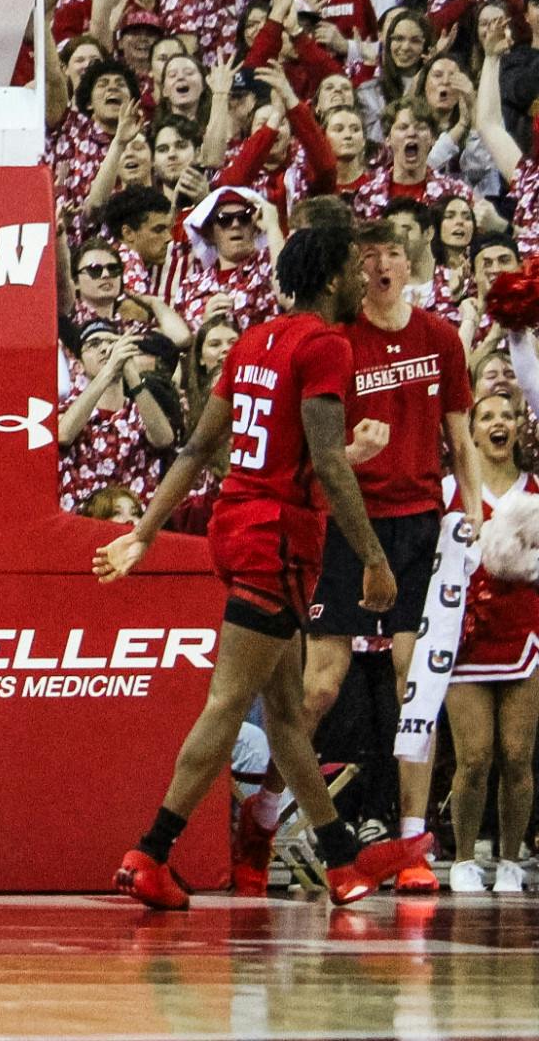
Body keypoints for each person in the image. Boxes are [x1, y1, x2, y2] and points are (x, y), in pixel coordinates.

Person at [97, 222, 433, 908]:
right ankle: (150, 850)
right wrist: (373, 558)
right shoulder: (325, 344)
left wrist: (144, 532)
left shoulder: (254, 339)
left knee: (285, 710)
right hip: (276, 538)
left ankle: (341, 862)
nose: (364, 278)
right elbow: (328, 461)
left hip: (238, 523)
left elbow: (195, 450)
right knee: (228, 702)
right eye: (354, 267)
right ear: (332, 278)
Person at [270, 219, 478, 893]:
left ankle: (412, 839)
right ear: (353, 271)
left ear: (410, 259)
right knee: (321, 683)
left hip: (418, 523)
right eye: (368, 256)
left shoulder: (440, 337)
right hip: (347, 523)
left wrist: (470, 502)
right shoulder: (338, 341)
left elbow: (460, 433)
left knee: (412, 673)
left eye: (392, 252)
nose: (381, 265)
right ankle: (264, 812)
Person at [442, 393, 539, 893]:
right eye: (488, 417)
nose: (500, 423)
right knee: (474, 757)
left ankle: (509, 860)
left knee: (517, 755)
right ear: (472, 431)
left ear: (519, 429)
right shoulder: (449, 490)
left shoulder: (536, 490)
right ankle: (461, 859)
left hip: (525, 635)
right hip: (465, 637)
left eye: (509, 415)